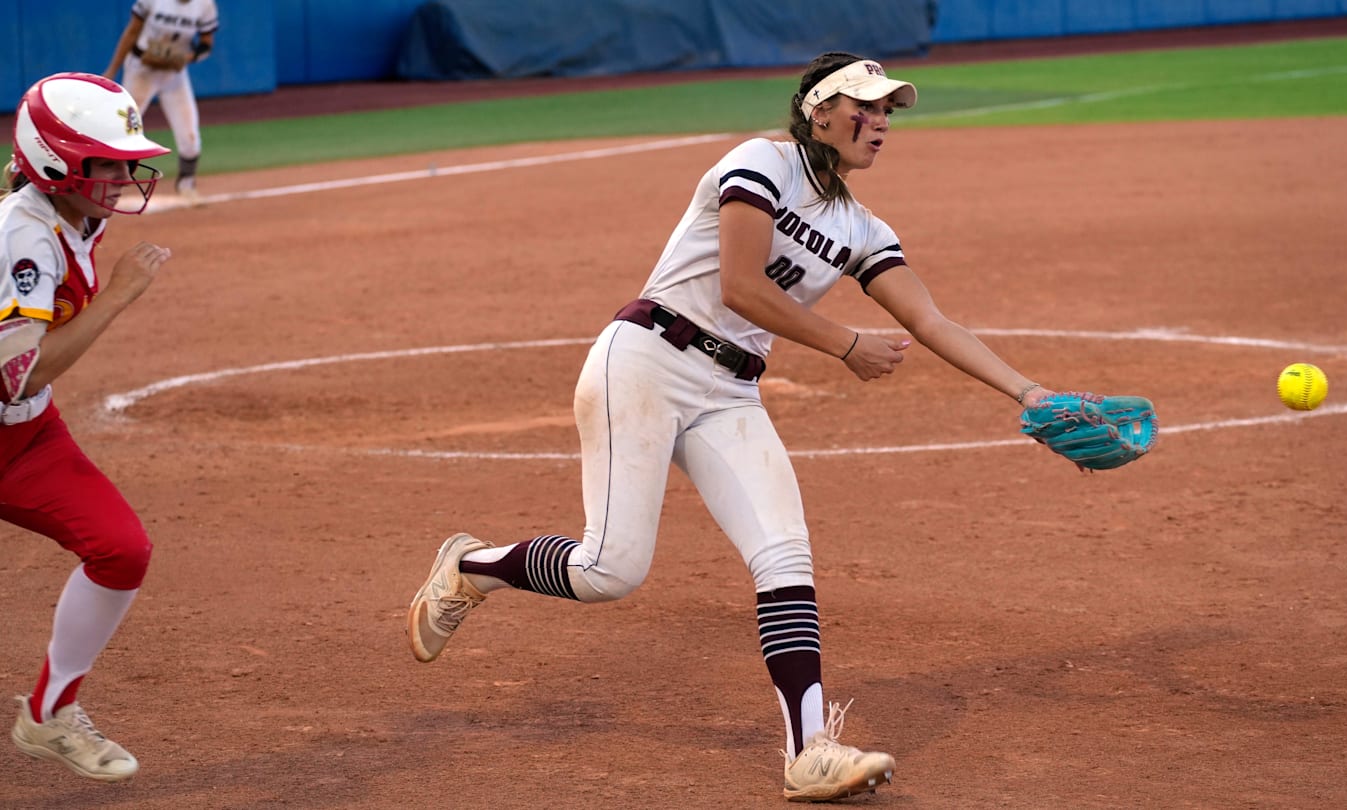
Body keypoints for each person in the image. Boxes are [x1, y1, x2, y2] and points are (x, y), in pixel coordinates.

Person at [405, 52, 1057, 802]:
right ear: (819, 111)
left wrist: (1028, 392)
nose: (880, 124)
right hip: (647, 362)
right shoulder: (761, 164)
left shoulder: (860, 226)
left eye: (888, 113)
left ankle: (809, 752)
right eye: (866, 108)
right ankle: (471, 567)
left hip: (730, 394)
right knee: (610, 570)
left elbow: (928, 318)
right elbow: (740, 286)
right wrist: (847, 345)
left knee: (785, 555)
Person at [4, 72, 174, 782]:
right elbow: (21, 372)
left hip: (24, 435)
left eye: (124, 160)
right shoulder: (22, 235)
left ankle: (48, 714)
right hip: (19, 404)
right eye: (104, 161)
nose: (124, 174)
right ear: (54, 166)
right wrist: (122, 296)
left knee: (120, 549)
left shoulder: (74, 215)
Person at [103, 0, 219, 201]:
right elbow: (131, 32)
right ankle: (103, 180)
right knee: (122, 128)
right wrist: (112, 69)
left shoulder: (204, 4)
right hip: (141, 71)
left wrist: (186, 57)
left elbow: (206, 45)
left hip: (174, 75)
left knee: (190, 134)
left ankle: (186, 184)